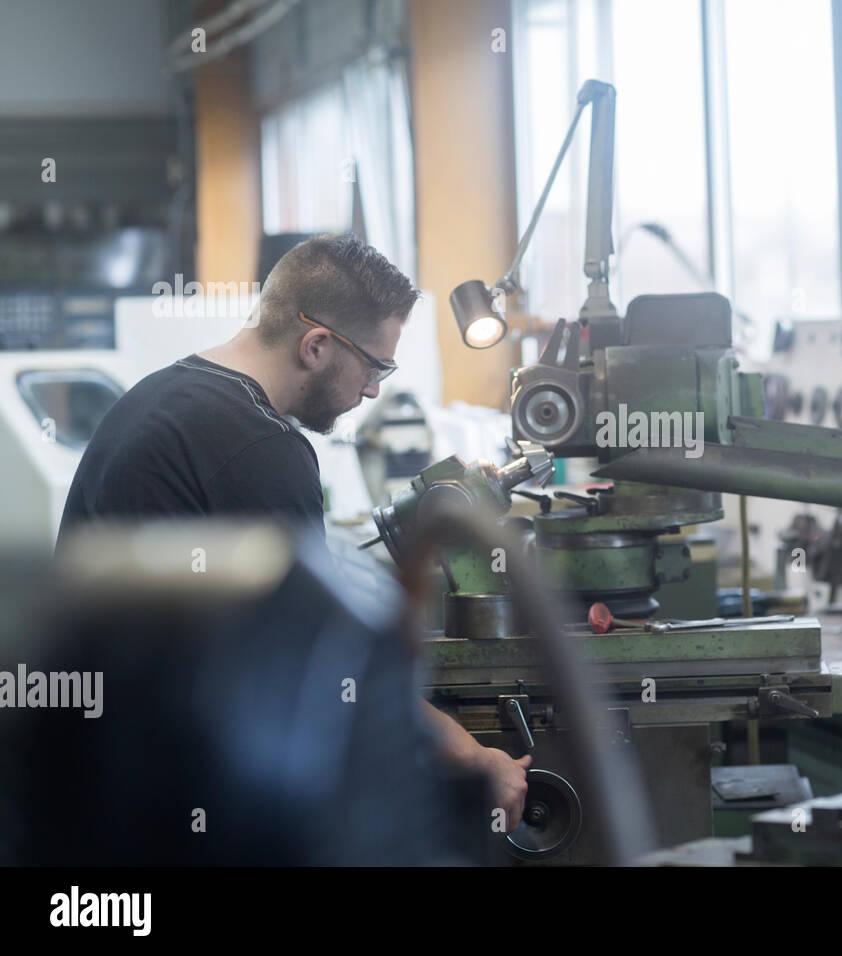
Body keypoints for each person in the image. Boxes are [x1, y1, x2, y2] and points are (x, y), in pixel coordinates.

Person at [57, 234, 531, 828]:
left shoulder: (162, 393)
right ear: (316, 346)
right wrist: (473, 756)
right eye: (374, 365)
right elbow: (331, 675)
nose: (374, 388)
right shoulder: (261, 448)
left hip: (99, 773)